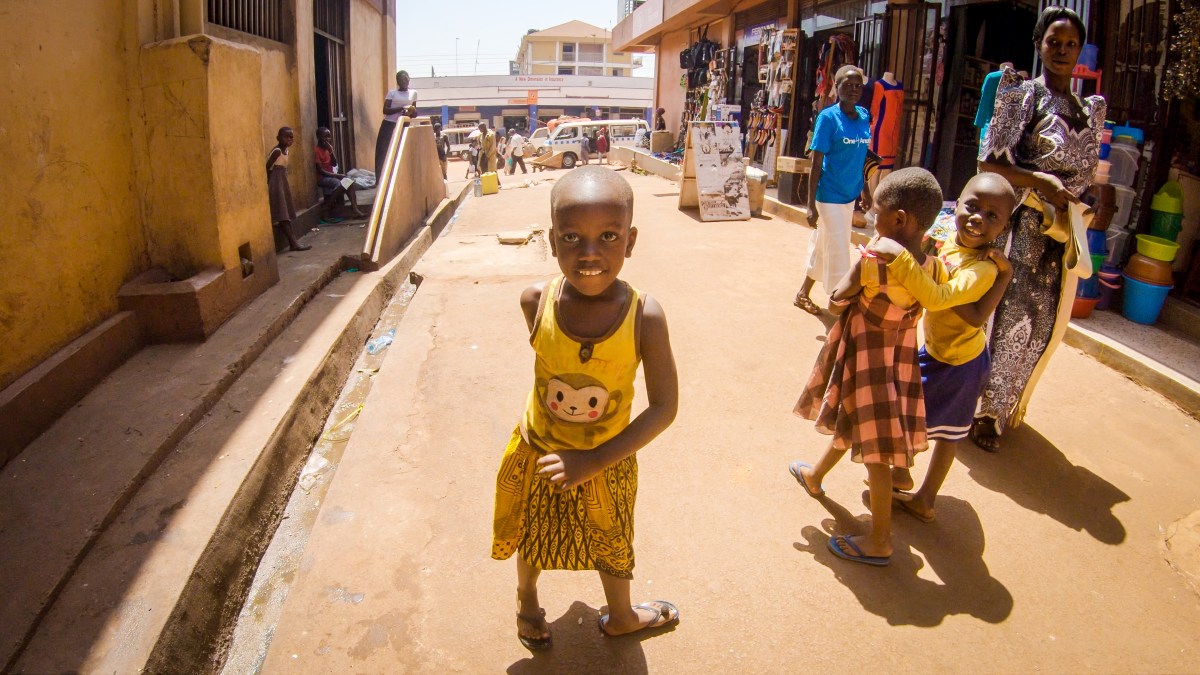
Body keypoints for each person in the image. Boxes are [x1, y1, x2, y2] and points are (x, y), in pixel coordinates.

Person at [492, 167, 680, 649]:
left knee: (612, 542)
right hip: (539, 452)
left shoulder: (645, 316)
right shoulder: (536, 301)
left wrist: (594, 459)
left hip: (608, 460)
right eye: (572, 237)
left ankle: (622, 615)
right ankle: (526, 600)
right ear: (553, 241)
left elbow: (664, 408)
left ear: (630, 241)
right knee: (533, 536)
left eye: (608, 236)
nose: (590, 253)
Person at [788, 168, 945, 566]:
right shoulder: (933, 266)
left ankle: (879, 538)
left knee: (875, 447)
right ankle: (816, 476)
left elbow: (838, 298)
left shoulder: (875, 261)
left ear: (899, 219)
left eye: (877, 212)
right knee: (855, 421)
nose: (871, 218)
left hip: (867, 358)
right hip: (898, 359)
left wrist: (861, 260)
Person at [971, 6, 1106, 452]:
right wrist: (1039, 180)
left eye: (1071, 44)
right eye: (1054, 42)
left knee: (1043, 325)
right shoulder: (1022, 96)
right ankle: (980, 410)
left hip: (1060, 238)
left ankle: (1006, 403)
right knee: (1004, 319)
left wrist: (1093, 198)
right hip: (1020, 228)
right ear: (1039, 44)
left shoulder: (1085, 109)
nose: (1063, 50)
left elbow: (1085, 174)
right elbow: (988, 162)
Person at [866, 173, 1019, 520]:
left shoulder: (982, 269)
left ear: (1004, 227)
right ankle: (903, 470)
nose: (979, 218)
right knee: (908, 409)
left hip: (962, 364)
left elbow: (936, 298)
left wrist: (898, 257)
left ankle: (926, 499)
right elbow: (928, 255)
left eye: (992, 216)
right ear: (957, 204)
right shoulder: (947, 238)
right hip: (934, 351)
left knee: (948, 436)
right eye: (973, 207)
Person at [794, 65, 873, 315]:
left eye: (858, 85)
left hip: (849, 195)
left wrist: (866, 191)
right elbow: (815, 163)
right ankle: (842, 305)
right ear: (836, 87)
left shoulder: (863, 116)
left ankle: (802, 293)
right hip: (828, 195)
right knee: (839, 248)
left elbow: (862, 157)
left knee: (822, 245)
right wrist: (809, 205)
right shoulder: (828, 118)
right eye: (847, 85)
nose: (853, 89)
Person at [265, 126, 310, 252]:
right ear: (278, 138)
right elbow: (267, 167)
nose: (289, 139)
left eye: (291, 137)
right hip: (276, 183)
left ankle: (293, 242)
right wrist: (271, 183)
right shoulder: (277, 151)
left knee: (285, 213)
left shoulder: (286, 151)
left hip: (282, 182)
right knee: (283, 214)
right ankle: (293, 243)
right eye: (286, 137)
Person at [314, 127, 366, 223]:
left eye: (329, 137)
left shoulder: (328, 149)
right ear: (318, 137)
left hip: (331, 176)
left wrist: (331, 151)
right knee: (341, 184)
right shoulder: (317, 150)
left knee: (349, 182)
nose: (327, 139)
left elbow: (334, 164)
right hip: (323, 178)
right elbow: (320, 170)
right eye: (324, 137)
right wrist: (337, 175)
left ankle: (355, 209)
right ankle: (327, 207)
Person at [376, 70, 417, 180]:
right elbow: (385, 110)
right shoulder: (392, 93)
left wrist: (411, 111)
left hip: (404, 125)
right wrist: (401, 108)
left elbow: (414, 113)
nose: (405, 80)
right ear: (398, 81)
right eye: (402, 79)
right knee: (383, 152)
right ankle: (380, 179)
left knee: (402, 152)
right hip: (389, 125)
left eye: (407, 78)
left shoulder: (413, 93)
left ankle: (400, 177)